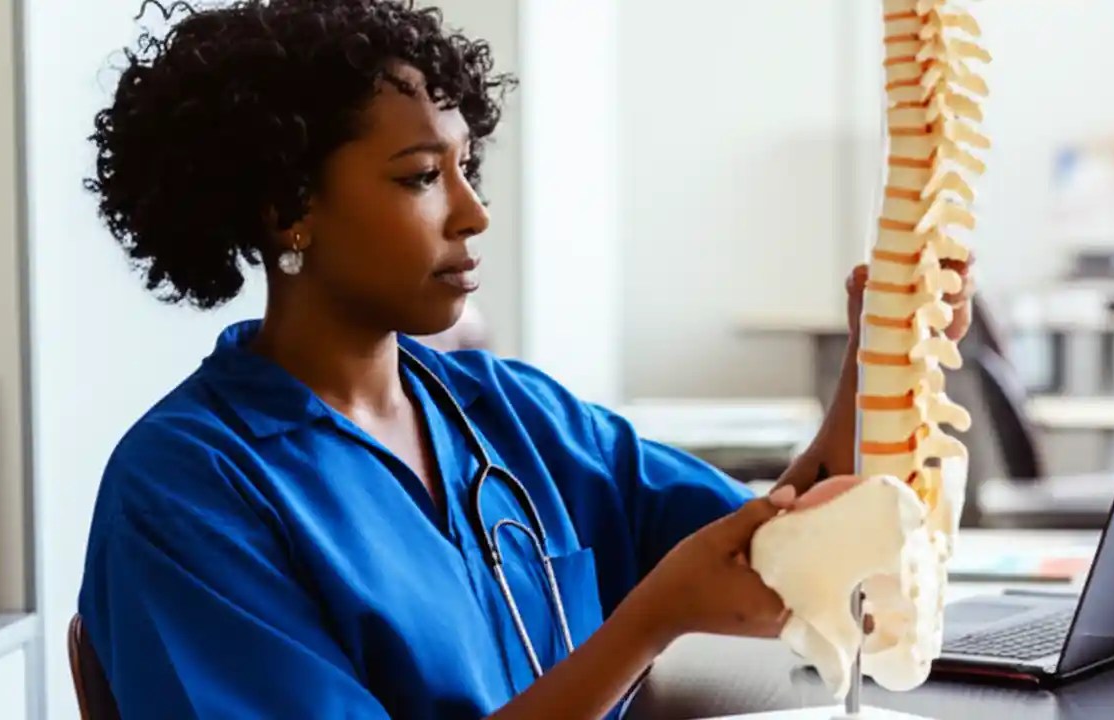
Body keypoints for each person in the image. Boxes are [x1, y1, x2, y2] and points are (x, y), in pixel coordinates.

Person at [76, 2, 976, 719]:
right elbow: (673, 600)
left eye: (468, 168)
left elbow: (779, 544)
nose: (473, 213)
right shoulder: (187, 488)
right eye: (420, 176)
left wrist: (880, 357)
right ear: (287, 210)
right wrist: (649, 622)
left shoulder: (506, 411)